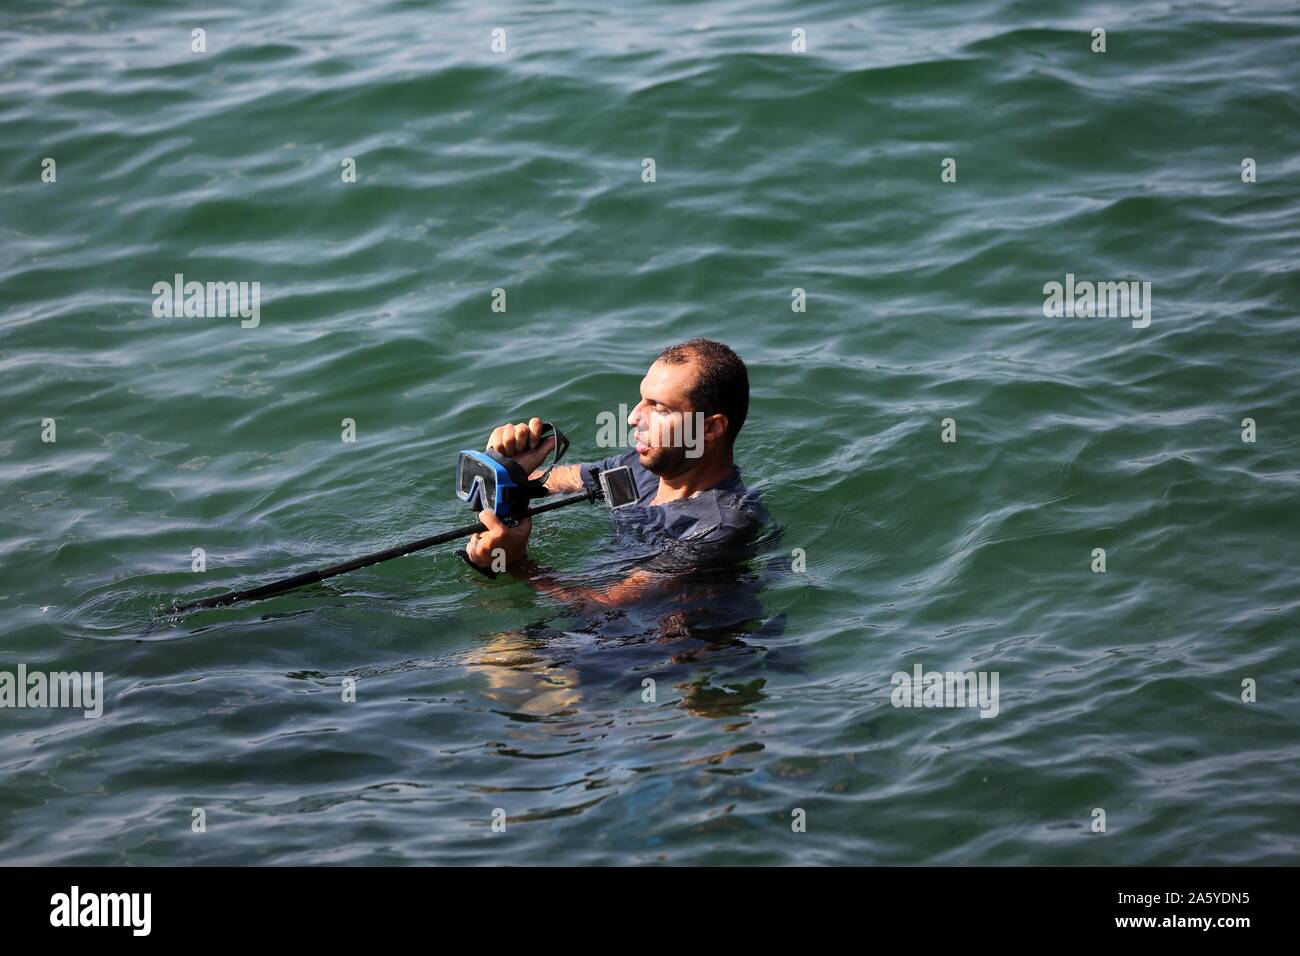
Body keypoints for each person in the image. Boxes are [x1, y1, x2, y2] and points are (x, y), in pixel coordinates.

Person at [459, 339, 771, 610]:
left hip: (648, 649)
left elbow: (606, 604)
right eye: (642, 400)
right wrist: (508, 469)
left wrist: (516, 563)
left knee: (496, 666)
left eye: (659, 408)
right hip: (592, 631)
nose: (635, 417)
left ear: (711, 427)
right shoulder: (636, 471)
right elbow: (555, 481)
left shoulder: (717, 524)